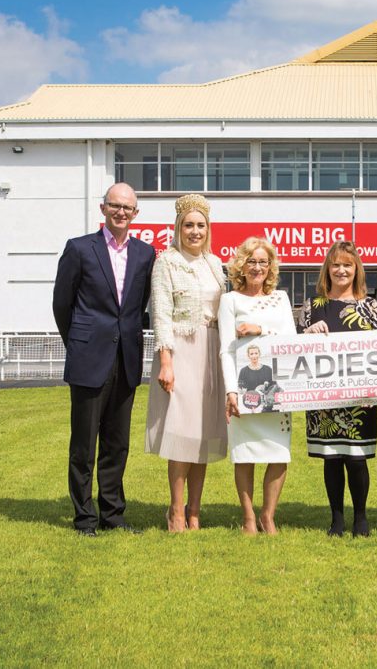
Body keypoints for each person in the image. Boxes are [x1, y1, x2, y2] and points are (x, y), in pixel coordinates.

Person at [52, 182, 155, 537]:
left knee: (117, 443)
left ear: (135, 213)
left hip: (126, 358)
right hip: (88, 357)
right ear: (103, 208)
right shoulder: (79, 249)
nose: (121, 212)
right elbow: (61, 304)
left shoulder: (145, 254)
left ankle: (113, 514)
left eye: (127, 207)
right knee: (84, 444)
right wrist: (78, 343)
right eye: (115, 205)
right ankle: (84, 518)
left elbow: (138, 306)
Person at [145, 193, 228, 532]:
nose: (195, 231)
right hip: (180, 349)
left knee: (203, 433)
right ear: (179, 227)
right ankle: (176, 510)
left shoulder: (215, 264)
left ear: (209, 229)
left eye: (201, 225)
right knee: (181, 433)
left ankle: (195, 510)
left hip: (211, 350)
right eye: (189, 225)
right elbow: (160, 312)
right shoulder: (166, 261)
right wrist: (166, 360)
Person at [297, 241, 377, 537]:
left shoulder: (370, 307)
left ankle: (361, 517)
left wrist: (375, 390)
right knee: (332, 457)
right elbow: (295, 352)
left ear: (356, 268)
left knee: (356, 459)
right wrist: (307, 334)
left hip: (362, 398)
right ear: (327, 269)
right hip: (323, 399)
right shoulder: (312, 307)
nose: (341, 270)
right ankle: (336, 519)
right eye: (336, 265)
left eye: (348, 264)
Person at [218, 236, 296, 535]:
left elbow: (290, 339)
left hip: (277, 389)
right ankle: (249, 517)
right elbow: (226, 349)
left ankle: (268, 515)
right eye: (252, 261)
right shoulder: (230, 300)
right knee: (245, 453)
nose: (257, 267)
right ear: (242, 264)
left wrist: (260, 329)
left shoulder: (281, 298)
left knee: (279, 454)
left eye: (263, 262)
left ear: (270, 266)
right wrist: (230, 391)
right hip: (244, 388)